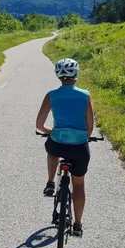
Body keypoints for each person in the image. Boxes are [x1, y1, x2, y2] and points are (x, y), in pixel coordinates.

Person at [35, 58, 94, 237]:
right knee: (79, 184)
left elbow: (39, 124)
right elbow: (90, 127)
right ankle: (77, 224)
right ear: (76, 74)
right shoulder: (85, 95)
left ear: (58, 75)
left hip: (58, 142)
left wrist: (50, 131)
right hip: (79, 147)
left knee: (51, 148)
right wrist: (84, 136)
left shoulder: (51, 95)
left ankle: (51, 182)